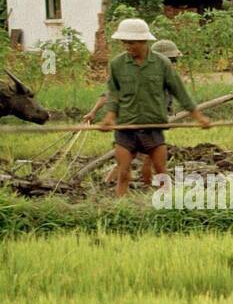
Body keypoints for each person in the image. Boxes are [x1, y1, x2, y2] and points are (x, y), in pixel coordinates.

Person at [98, 18, 210, 197]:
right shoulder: (117, 65)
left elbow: (179, 91)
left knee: (161, 172)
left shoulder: (162, 64)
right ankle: (119, 210)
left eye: (131, 42)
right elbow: (113, 93)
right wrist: (110, 117)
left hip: (153, 126)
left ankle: (168, 207)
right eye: (124, 42)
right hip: (126, 127)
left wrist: (198, 116)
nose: (127, 46)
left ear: (144, 42)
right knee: (124, 173)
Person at [84, 38, 187, 186]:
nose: (173, 64)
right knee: (138, 155)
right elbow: (110, 94)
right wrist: (93, 112)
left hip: (154, 121)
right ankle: (139, 182)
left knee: (136, 155)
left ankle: (115, 181)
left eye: (174, 61)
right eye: (171, 60)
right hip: (136, 121)